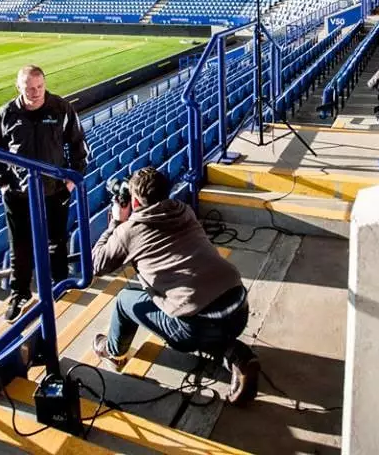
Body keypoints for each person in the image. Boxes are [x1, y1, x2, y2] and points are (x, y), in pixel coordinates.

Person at [90, 167, 260, 405]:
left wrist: (116, 222)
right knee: (203, 314)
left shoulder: (128, 232)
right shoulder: (185, 210)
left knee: (124, 301)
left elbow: (95, 264)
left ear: (136, 201)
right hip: (239, 306)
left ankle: (114, 353)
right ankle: (237, 356)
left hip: (197, 325)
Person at [0, 65, 88, 323]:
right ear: (18, 87)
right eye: (29, 88)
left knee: (57, 242)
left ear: (45, 84)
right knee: (19, 248)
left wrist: (70, 182)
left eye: (39, 87)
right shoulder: (5, 114)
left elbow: (79, 146)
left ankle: (60, 284)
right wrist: (6, 185)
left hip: (54, 192)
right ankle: (20, 294)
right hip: (19, 197)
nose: (35, 92)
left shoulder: (61, 108)